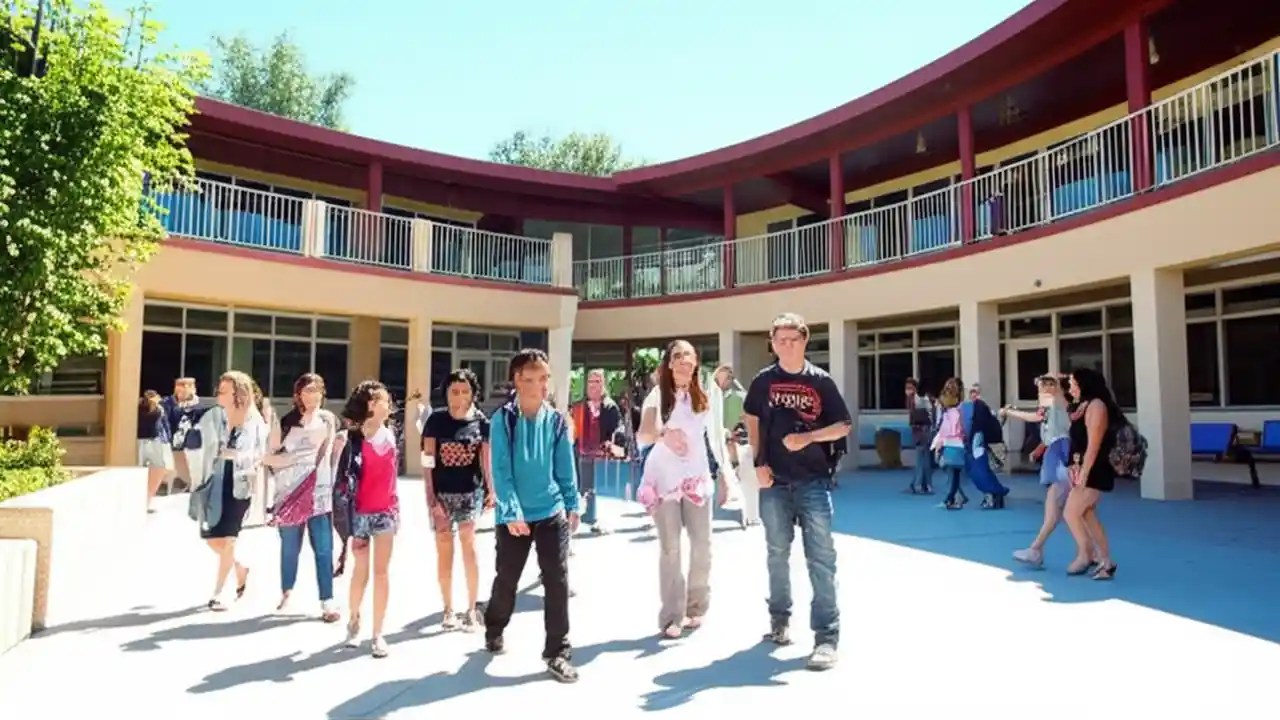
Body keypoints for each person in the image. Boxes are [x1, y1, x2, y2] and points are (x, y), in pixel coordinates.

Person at [743, 313, 852, 671]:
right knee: (776, 554)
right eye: (779, 340)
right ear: (772, 343)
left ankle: (826, 637)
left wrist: (809, 437)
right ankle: (779, 620)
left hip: (813, 482)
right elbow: (752, 420)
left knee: (821, 558)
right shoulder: (763, 381)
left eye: (792, 339)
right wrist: (757, 462)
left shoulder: (820, 381)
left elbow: (843, 425)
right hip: (774, 482)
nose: (786, 346)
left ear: (805, 340)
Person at [484, 348, 580, 684]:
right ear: (516, 380)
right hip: (514, 516)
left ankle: (558, 651)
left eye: (542, 379)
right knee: (507, 580)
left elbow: (564, 467)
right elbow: (501, 471)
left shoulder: (556, 421)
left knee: (557, 579)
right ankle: (494, 626)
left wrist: (572, 504)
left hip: (550, 510)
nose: (537, 386)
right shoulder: (502, 421)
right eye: (529, 379)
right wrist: (511, 512)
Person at [635, 340, 728, 639]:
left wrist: (725, 474)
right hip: (663, 478)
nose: (683, 360)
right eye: (677, 356)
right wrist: (665, 434)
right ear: (669, 364)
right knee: (670, 547)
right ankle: (671, 616)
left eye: (688, 354)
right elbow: (643, 434)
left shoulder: (706, 393)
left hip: (696, 477)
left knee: (703, 545)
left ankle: (696, 607)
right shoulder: (658, 395)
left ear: (696, 360)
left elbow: (715, 437)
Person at [262, 373, 340, 622]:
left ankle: (328, 600)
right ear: (298, 395)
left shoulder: (328, 420)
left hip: (318, 490)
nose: (313, 396)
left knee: (324, 548)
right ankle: (287, 590)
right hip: (290, 491)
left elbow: (331, 452)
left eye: (317, 390)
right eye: (307, 391)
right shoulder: (288, 422)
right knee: (290, 546)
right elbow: (273, 455)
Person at [423, 369, 494, 631]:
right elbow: (428, 460)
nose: (460, 396)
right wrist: (430, 497)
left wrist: (491, 490)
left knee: (469, 543)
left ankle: (472, 609)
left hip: (470, 493)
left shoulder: (481, 423)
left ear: (473, 393)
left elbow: (485, 461)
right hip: (442, 495)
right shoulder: (436, 421)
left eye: (465, 391)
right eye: (455, 391)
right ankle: (448, 609)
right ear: (447, 393)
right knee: (444, 547)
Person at [191, 370, 269, 611]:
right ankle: (239, 568)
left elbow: (259, 452)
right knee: (212, 538)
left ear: (238, 393)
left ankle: (220, 592)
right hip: (216, 478)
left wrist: (235, 455)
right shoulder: (215, 417)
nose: (218, 394)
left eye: (224, 390)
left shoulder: (253, 419)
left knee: (229, 539)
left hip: (240, 481)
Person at [334, 380, 399, 657]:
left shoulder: (392, 434)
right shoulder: (352, 438)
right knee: (361, 571)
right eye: (385, 400)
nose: (390, 404)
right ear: (372, 404)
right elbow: (340, 480)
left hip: (386, 511)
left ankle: (378, 632)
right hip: (359, 513)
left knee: (382, 573)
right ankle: (354, 619)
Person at [1064, 368, 1121, 580]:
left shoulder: (1096, 407)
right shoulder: (1082, 407)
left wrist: (1084, 475)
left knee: (1071, 512)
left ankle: (1086, 553)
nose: (1070, 388)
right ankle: (1106, 561)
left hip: (1094, 470)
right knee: (1086, 514)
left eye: (1073, 384)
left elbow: (1094, 445)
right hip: (1084, 469)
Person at [570, 369, 626, 534]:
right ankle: (585, 518)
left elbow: (618, 427)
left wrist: (614, 443)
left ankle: (597, 519)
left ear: (603, 385)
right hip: (583, 452)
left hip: (602, 454)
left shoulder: (610, 407)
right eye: (590, 382)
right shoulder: (579, 407)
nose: (593, 386)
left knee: (600, 488)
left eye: (597, 382)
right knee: (584, 487)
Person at [137, 390, 173, 511]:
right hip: (140, 440)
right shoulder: (141, 408)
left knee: (159, 469)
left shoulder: (160, 409)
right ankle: (140, 502)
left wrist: (168, 440)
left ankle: (147, 500)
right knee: (138, 470)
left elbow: (164, 425)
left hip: (155, 440)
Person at [905, 378, 935, 494]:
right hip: (922, 431)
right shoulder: (915, 400)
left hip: (922, 432)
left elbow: (923, 418)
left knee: (922, 459)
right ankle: (924, 484)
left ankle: (920, 484)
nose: (908, 391)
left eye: (910, 388)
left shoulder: (919, 401)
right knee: (924, 458)